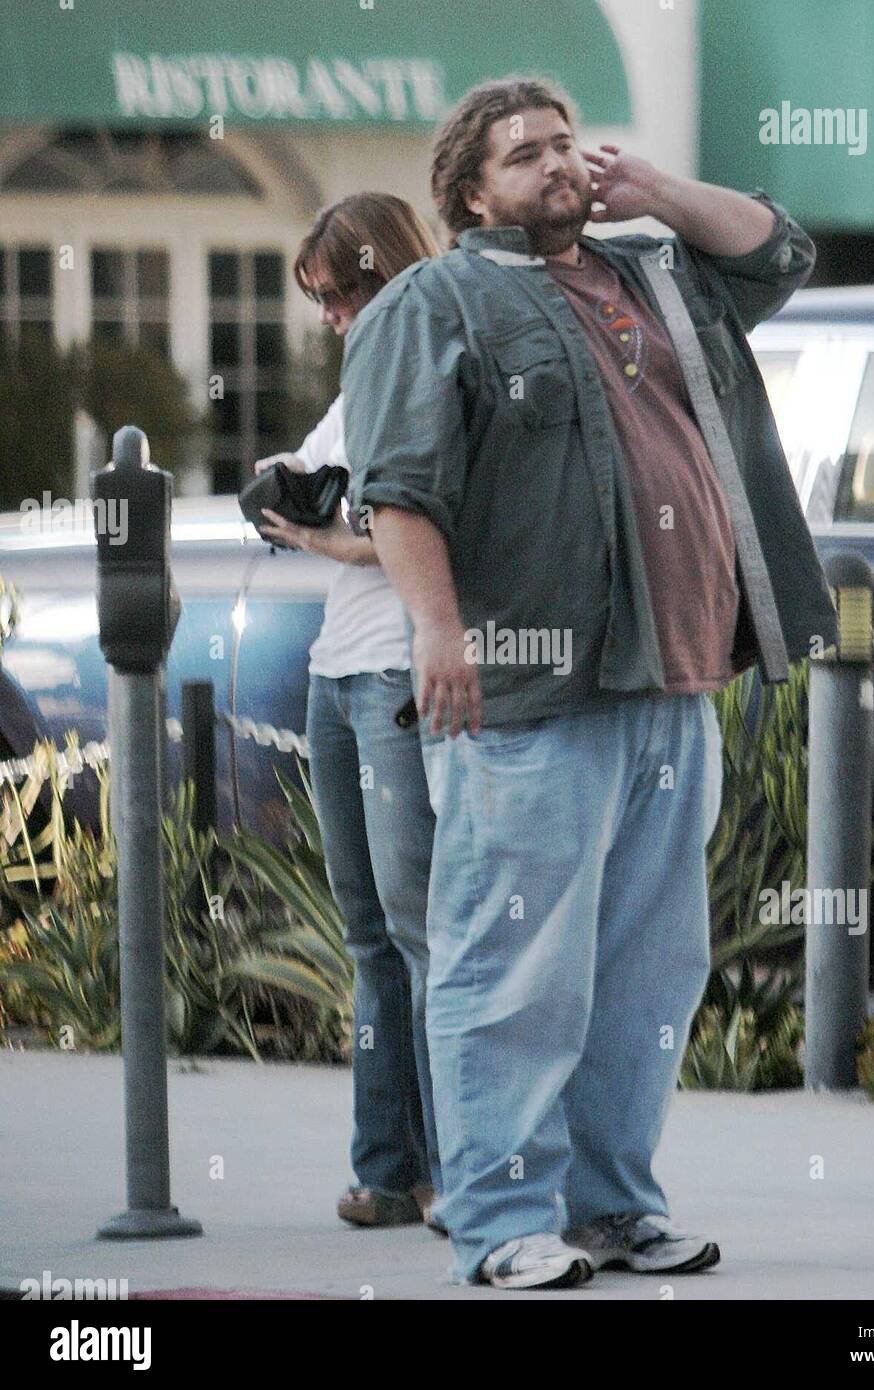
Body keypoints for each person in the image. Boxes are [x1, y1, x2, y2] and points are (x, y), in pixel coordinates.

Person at [343, 77, 838, 1289]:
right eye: (526, 155)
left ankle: (614, 1205)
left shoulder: (659, 274)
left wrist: (656, 188)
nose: (558, 164)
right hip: (528, 695)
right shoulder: (434, 299)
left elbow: (782, 250)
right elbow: (399, 489)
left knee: (647, 969)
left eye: (568, 145)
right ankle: (503, 1219)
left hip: (674, 680)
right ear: (471, 192)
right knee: (508, 965)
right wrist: (439, 632)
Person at [255, 193, 443, 1232]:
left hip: (392, 668)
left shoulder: (416, 359)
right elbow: (322, 480)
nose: (328, 316)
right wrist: (288, 495)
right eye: (319, 301)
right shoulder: (363, 369)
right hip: (342, 667)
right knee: (371, 935)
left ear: (380, 275)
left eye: (335, 293)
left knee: (420, 932)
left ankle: (451, 1172)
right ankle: (387, 1170)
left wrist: (312, 529)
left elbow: (395, 523)